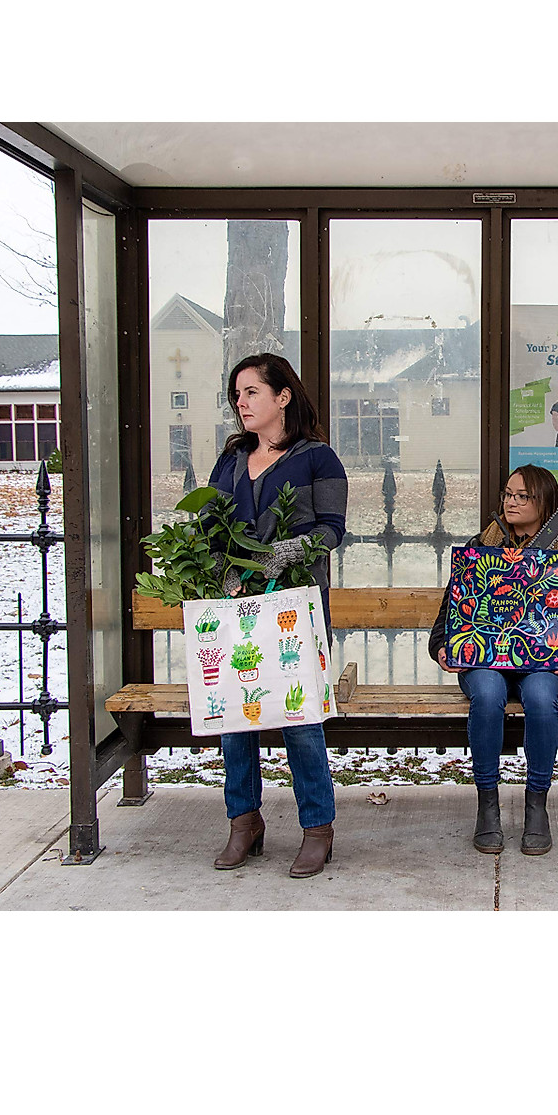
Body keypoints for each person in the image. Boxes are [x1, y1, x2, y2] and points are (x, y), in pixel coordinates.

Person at [207, 353, 348, 879]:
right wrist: (221, 564)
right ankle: (243, 822)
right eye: (237, 395)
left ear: (282, 397)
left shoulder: (318, 459)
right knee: (234, 719)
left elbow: (333, 527)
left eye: (251, 393)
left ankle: (318, 829)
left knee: (300, 721)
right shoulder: (231, 459)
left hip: (296, 610)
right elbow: (209, 521)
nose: (241, 403)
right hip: (236, 607)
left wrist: (290, 551)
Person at [429, 464, 558, 855]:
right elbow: (451, 608)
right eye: (508, 494)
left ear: (545, 503)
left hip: (543, 660)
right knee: (486, 694)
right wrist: (442, 647)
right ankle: (487, 804)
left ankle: (537, 804)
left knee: (540, 699)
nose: (512, 502)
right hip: (484, 658)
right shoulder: (479, 547)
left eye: (523, 496)